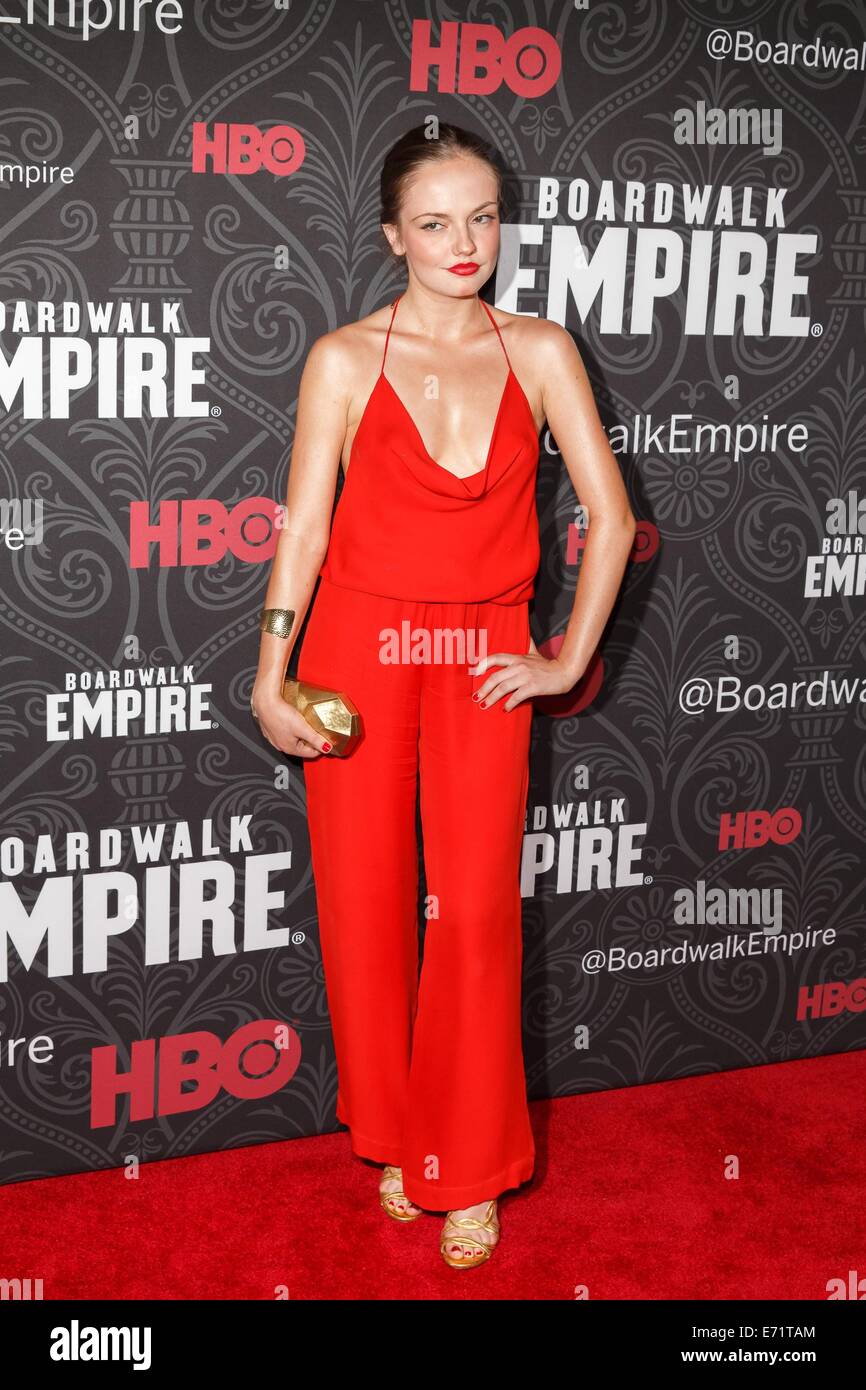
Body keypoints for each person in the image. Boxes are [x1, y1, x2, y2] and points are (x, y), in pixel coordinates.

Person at [252, 122, 636, 1269]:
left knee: (470, 919)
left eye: (480, 217)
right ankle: (396, 1139)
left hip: (481, 657)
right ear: (391, 235)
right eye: (434, 222)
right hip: (358, 648)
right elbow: (306, 528)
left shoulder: (540, 351)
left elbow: (610, 519)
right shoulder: (340, 356)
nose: (462, 243)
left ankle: (464, 1170)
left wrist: (563, 657)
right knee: (367, 912)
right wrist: (271, 673)